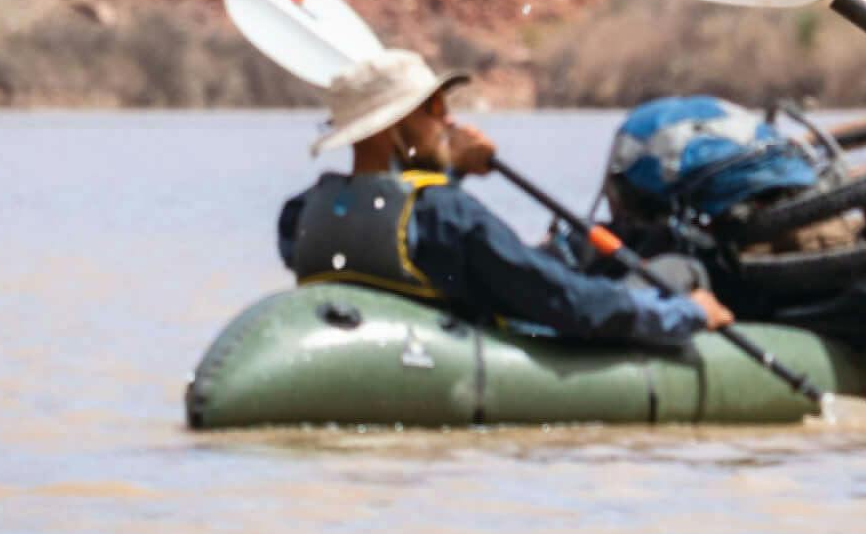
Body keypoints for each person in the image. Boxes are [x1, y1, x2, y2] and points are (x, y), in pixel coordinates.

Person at [278, 48, 732, 349]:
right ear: (391, 128)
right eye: (434, 108)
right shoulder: (448, 214)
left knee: (574, 251)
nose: (449, 118)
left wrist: (450, 168)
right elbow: (569, 303)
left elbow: (401, 218)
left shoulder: (301, 214)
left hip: (410, 329)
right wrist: (684, 312)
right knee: (678, 270)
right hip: (498, 333)